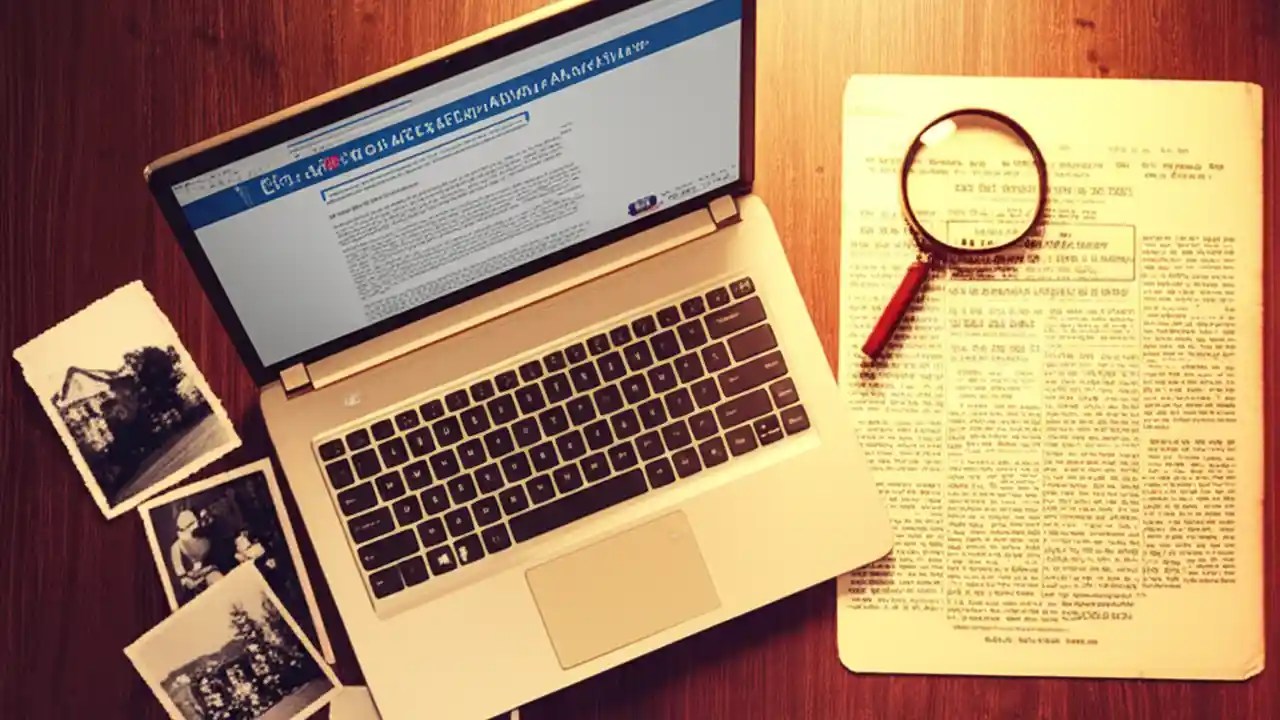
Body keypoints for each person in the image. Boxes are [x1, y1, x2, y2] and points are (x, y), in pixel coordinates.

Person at [170, 509, 223, 594]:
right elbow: (181, 575)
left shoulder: (204, 536)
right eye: (187, 527)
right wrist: (188, 581)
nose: (192, 528)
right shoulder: (176, 547)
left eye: (193, 523)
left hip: (212, 572)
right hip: (195, 582)